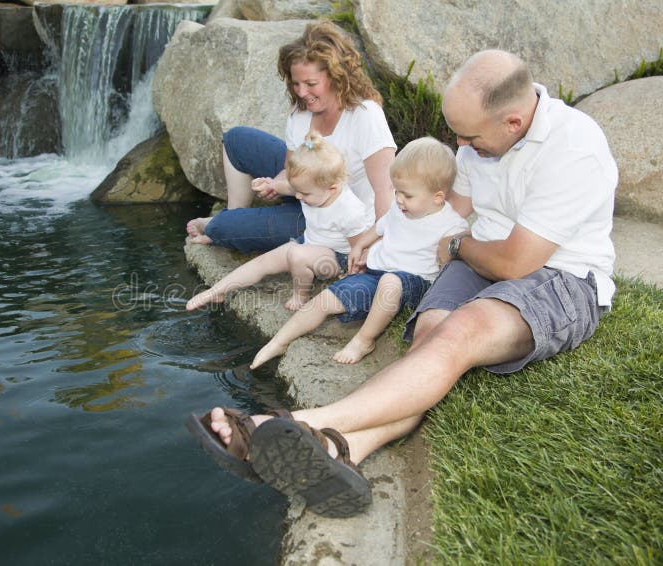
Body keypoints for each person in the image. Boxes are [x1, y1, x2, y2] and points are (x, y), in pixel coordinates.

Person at [186, 49, 618, 518]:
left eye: (470, 137)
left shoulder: (574, 148)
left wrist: (456, 248)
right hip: (478, 254)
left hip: (559, 276)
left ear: (513, 123)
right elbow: (450, 206)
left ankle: (292, 424)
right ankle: (343, 448)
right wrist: (386, 231)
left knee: (459, 333)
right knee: (429, 342)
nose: (461, 145)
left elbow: (515, 263)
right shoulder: (482, 137)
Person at [251, 137, 468, 368]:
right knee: (326, 299)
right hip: (376, 275)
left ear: (438, 196)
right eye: (397, 192)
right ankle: (279, 341)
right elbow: (381, 226)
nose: (399, 200)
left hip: (413, 282)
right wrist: (359, 245)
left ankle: (364, 340)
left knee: (390, 282)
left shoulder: (452, 226)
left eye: (408, 195)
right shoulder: (400, 208)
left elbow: (453, 266)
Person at [185, 20, 396, 253]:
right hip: (304, 190)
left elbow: (385, 190)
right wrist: (274, 183)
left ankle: (221, 226)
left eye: (310, 83)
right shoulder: (301, 114)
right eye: (296, 84)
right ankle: (236, 214)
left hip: (333, 218)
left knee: (223, 227)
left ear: (337, 78)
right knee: (236, 139)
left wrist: (372, 246)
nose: (302, 92)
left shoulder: (365, 115)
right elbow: (290, 170)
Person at [186, 132, 372, 312]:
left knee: (296, 255)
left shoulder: (349, 211)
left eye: (304, 194)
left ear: (332, 189)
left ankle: (301, 295)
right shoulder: (314, 190)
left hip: (336, 257)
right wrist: (270, 185)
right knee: (264, 261)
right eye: (297, 190)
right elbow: (288, 187)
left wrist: (352, 274)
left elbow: (359, 248)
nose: (298, 196)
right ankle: (217, 291)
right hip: (311, 242)